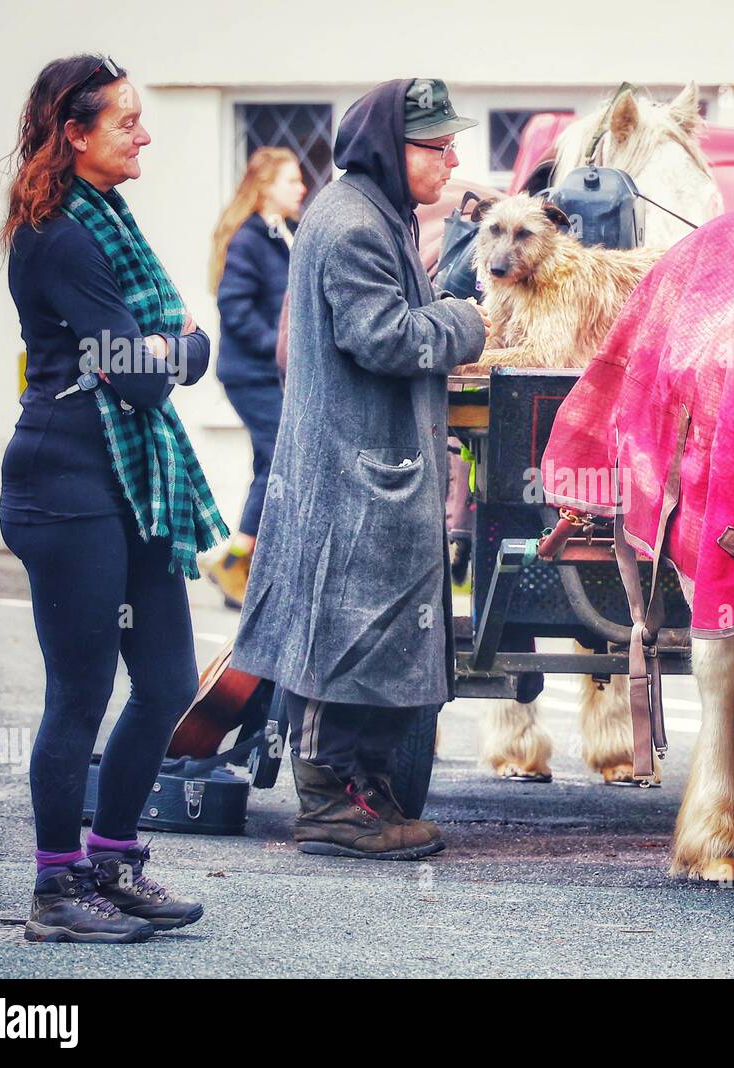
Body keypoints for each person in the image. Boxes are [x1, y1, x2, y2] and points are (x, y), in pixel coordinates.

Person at [0, 55, 227, 942]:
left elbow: (136, 358)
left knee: (168, 680)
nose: (143, 133)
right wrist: (187, 349)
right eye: (125, 120)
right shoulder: (57, 234)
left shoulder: (106, 221)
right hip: (64, 486)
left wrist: (163, 348)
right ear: (74, 133)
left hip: (123, 484)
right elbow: (138, 375)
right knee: (81, 690)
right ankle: (56, 892)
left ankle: (113, 861)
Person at [233, 78, 488, 860]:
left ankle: (365, 795)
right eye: (436, 147)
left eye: (451, 146)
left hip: (371, 473)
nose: (451, 161)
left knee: (373, 639)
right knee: (335, 637)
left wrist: (439, 289)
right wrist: (466, 319)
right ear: (389, 146)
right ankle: (330, 810)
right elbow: (384, 338)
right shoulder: (352, 224)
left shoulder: (378, 213)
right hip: (349, 481)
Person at [207, 148, 306, 608]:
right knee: (276, 460)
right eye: (292, 181)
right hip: (253, 374)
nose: (301, 188)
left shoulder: (282, 234)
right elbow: (235, 308)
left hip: (269, 372)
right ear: (265, 186)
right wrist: (281, 346)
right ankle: (236, 562)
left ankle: (240, 558)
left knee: (272, 461)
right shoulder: (249, 239)